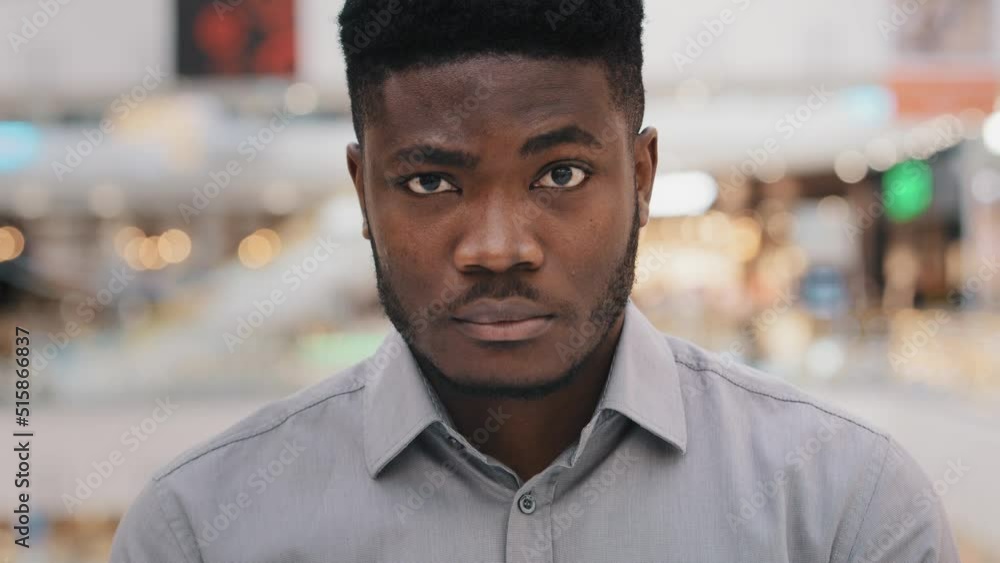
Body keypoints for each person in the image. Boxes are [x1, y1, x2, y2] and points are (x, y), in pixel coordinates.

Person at [110, 1, 959, 561]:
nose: (497, 247)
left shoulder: (843, 508)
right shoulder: (198, 532)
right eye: (431, 182)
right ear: (362, 190)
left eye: (559, 174)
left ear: (644, 174)